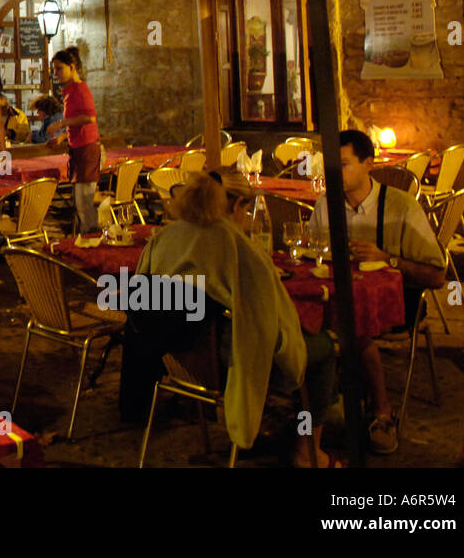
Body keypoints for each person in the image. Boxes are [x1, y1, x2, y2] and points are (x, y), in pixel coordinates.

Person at [132, 169, 340, 467]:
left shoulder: (164, 237)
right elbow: (269, 323)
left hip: (178, 359)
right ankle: (308, 452)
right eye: (247, 208)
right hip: (228, 364)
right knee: (325, 349)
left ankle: (280, 426)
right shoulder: (238, 249)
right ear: (236, 205)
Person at [306, 129, 445, 455]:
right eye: (330, 165)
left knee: (353, 327)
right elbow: (312, 253)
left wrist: (389, 258)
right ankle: (314, 410)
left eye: (343, 164)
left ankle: (383, 412)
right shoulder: (326, 204)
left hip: (399, 300)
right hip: (341, 297)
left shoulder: (401, 207)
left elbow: (438, 276)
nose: (335, 173)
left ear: (369, 163)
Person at [44, 47, 100, 234]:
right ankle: (87, 239)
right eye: (54, 70)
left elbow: (89, 118)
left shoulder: (80, 90)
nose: (56, 73)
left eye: (59, 68)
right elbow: (78, 123)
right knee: (81, 201)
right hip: (79, 149)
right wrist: (62, 137)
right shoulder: (70, 91)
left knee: (85, 201)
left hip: (87, 150)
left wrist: (61, 123)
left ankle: (92, 241)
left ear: (72, 66)